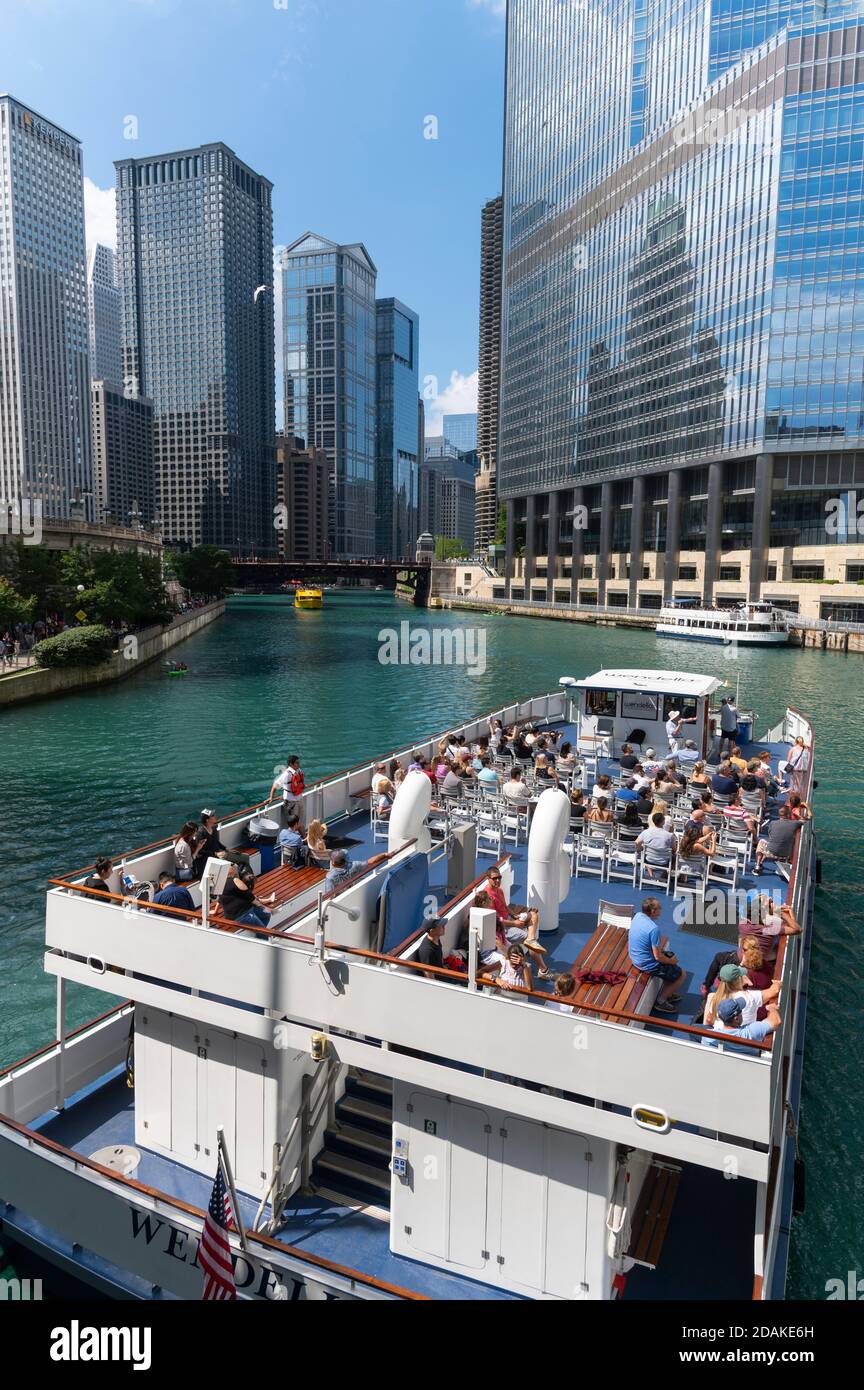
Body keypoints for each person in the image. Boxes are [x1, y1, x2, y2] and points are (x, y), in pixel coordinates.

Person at [485, 867, 552, 975]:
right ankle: (543, 970)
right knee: (527, 938)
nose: (498, 880)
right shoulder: (487, 896)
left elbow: (505, 907)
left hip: (509, 920)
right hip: (502, 928)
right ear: (488, 878)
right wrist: (514, 923)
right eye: (494, 878)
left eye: (499, 877)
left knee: (533, 915)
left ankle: (531, 939)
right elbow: (495, 920)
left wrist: (515, 916)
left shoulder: (499, 890)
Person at [627, 897, 685, 1013]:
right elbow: (658, 957)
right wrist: (672, 961)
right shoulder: (653, 929)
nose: (661, 910)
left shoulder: (637, 916)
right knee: (681, 974)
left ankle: (667, 992)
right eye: (659, 908)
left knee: (669, 958)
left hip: (634, 957)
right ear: (653, 911)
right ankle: (661, 1001)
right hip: (646, 964)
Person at [703, 964, 780, 1028]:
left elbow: (709, 1020)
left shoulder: (716, 998)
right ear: (739, 980)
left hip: (719, 1036)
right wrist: (777, 983)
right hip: (742, 1039)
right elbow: (774, 991)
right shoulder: (750, 997)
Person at [701, 995, 781, 1049]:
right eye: (741, 1011)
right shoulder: (749, 1032)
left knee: (697, 1027)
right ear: (736, 1019)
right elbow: (776, 1021)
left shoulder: (708, 1037)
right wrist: (772, 1009)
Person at [738, 897, 801, 962]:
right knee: (779, 948)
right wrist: (784, 914)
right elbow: (797, 929)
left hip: (741, 958)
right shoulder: (770, 928)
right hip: (758, 962)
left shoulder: (742, 925)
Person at [218, 862, 277, 928]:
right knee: (263, 930)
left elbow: (219, 900)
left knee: (266, 914)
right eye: (231, 865)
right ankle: (261, 934)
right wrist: (268, 909)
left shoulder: (220, 883)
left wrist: (215, 911)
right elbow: (252, 899)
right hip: (242, 915)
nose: (234, 866)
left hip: (244, 910)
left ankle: (257, 932)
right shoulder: (235, 880)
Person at [754, 805, 804, 875]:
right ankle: (761, 862)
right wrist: (798, 814)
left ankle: (757, 866)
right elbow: (803, 821)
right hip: (786, 855)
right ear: (789, 814)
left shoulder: (772, 823)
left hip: (771, 853)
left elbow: (770, 836)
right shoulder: (794, 823)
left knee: (761, 842)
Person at [324, 848, 388, 893]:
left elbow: (329, 896)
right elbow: (371, 861)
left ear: (333, 863)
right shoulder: (355, 865)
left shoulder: (330, 876)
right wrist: (384, 855)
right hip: (356, 891)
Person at [636, 812, 678, 877]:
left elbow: (637, 843)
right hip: (664, 862)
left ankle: (651, 874)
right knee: (675, 858)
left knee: (643, 854)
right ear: (663, 822)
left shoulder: (646, 832)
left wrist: (642, 849)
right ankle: (663, 876)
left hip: (648, 860)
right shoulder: (669, 835)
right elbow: (674, 850)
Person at [270, 755, 306, 823]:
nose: (299, 764)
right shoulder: (286, 774)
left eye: (299, 762)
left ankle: (302, 834)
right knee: (294, 823)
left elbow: (299, 783)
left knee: (301, 821)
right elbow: (275, 785)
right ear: (291, 764)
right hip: (291, 802)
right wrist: (271, 797)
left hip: (300, 799)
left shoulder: (298, 771)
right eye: (297, 763)